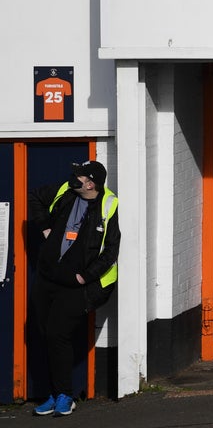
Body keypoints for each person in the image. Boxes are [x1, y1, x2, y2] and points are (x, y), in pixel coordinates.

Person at [28, 160, 120, 417]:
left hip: (76, 286)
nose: (73, 177)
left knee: (58, 334)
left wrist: (85, 277)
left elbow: (111, 251)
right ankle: (53, 394)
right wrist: (45, 225)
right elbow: (34, 196)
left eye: (79, 175)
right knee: (44, 334)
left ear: (90, 184)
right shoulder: (66, 192)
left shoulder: (108, 205)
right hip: (47, 278)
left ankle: (65, 396)